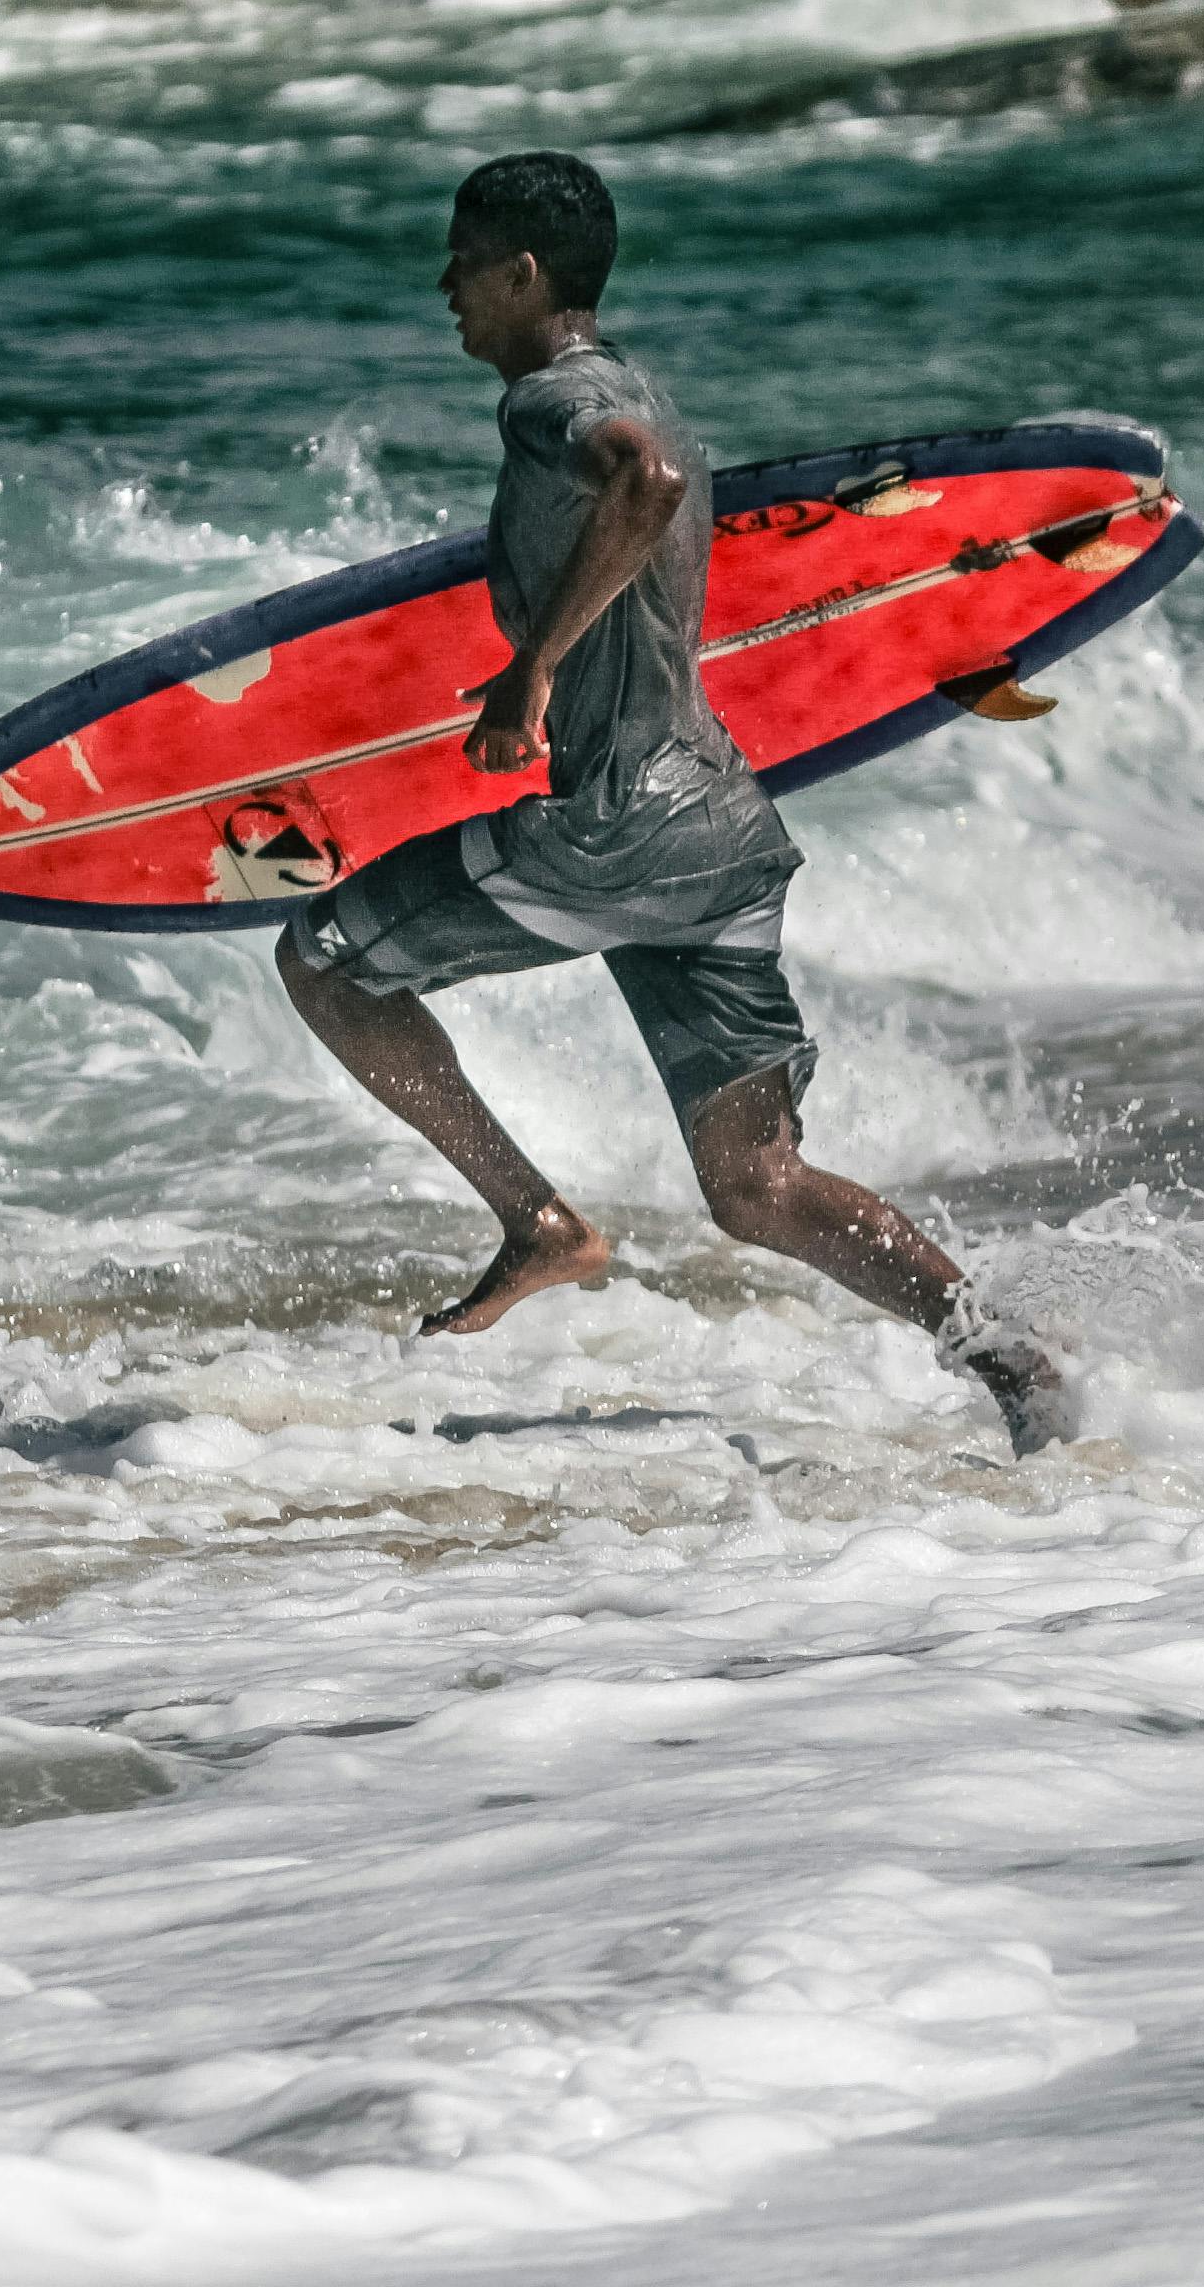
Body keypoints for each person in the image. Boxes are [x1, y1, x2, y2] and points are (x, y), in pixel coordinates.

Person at [275, 151, 1065, 1455]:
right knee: (757, 1187)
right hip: (722, 826)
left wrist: (526, 678)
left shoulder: (555, 404)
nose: (444, 286)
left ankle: (536, 1222)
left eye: (463, 259)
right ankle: (1017, 1359)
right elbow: (664, 484)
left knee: (321, 959)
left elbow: (642, 484)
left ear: (524, 273)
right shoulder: (650, 388)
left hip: (622, 822)